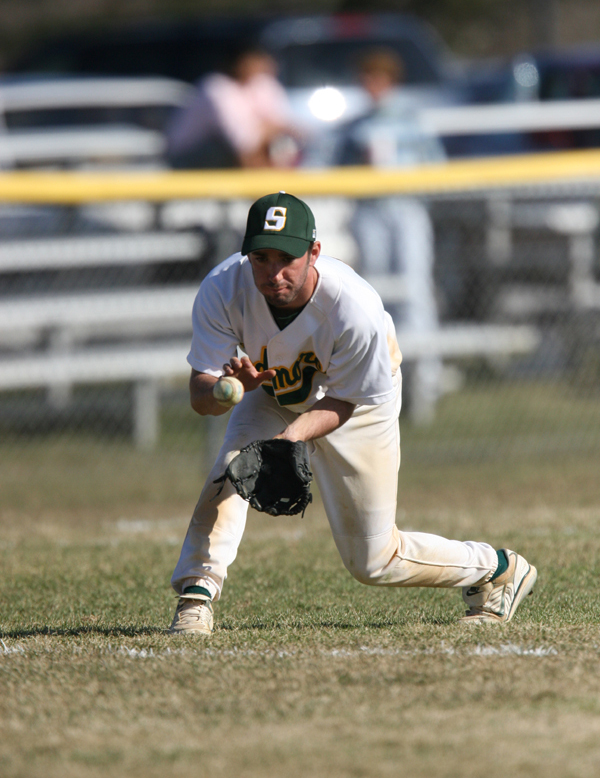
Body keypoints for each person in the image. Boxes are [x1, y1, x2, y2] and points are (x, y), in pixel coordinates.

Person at [168, 191, 537, 636]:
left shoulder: (353, 308)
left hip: (358, 402)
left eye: (286, 257)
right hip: (269, 392)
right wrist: (230, 394)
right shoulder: (223, 288)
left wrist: (290, 440)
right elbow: (199, 394)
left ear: (314, 252)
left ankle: (498, 569)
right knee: (232, 469)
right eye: (260, 257)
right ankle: (196, 597)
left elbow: (344, 400)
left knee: (375, 561)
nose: (273, 271)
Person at [328, 48, 446, 425]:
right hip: (370, 212)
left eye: (379, 78)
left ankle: (425, 381)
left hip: (406, 209)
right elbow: (336, 166)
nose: (372, 86)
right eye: (367, 78)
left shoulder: (411, 119)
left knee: (414, 291)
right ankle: (382, 383)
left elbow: (436, 164)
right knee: (374, 295)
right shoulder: (355, 126)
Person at [165, 47, 300, 169]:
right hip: (187, 157)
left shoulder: (261, 83)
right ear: (240, 63)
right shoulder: (215, 87)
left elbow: (292, 128)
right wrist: (270, 129)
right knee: (229, 150)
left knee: (282, 146)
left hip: (234, 151)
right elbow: (244, 142)